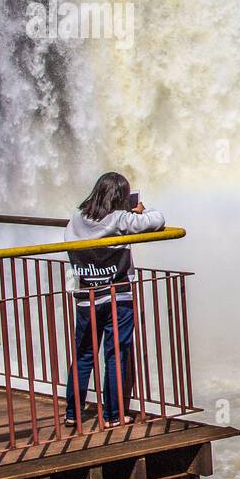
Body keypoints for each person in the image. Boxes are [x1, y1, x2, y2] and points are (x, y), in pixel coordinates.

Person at [64, 172, 164, 428]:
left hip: (86, 295)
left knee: (84, 353)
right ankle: (113, 415)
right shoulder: (122, 218)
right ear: (121, 198)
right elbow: (158, 219)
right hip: (117, 295)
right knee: (115, 355)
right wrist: (139, 210)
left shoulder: (77, 217)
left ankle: (72, 413)